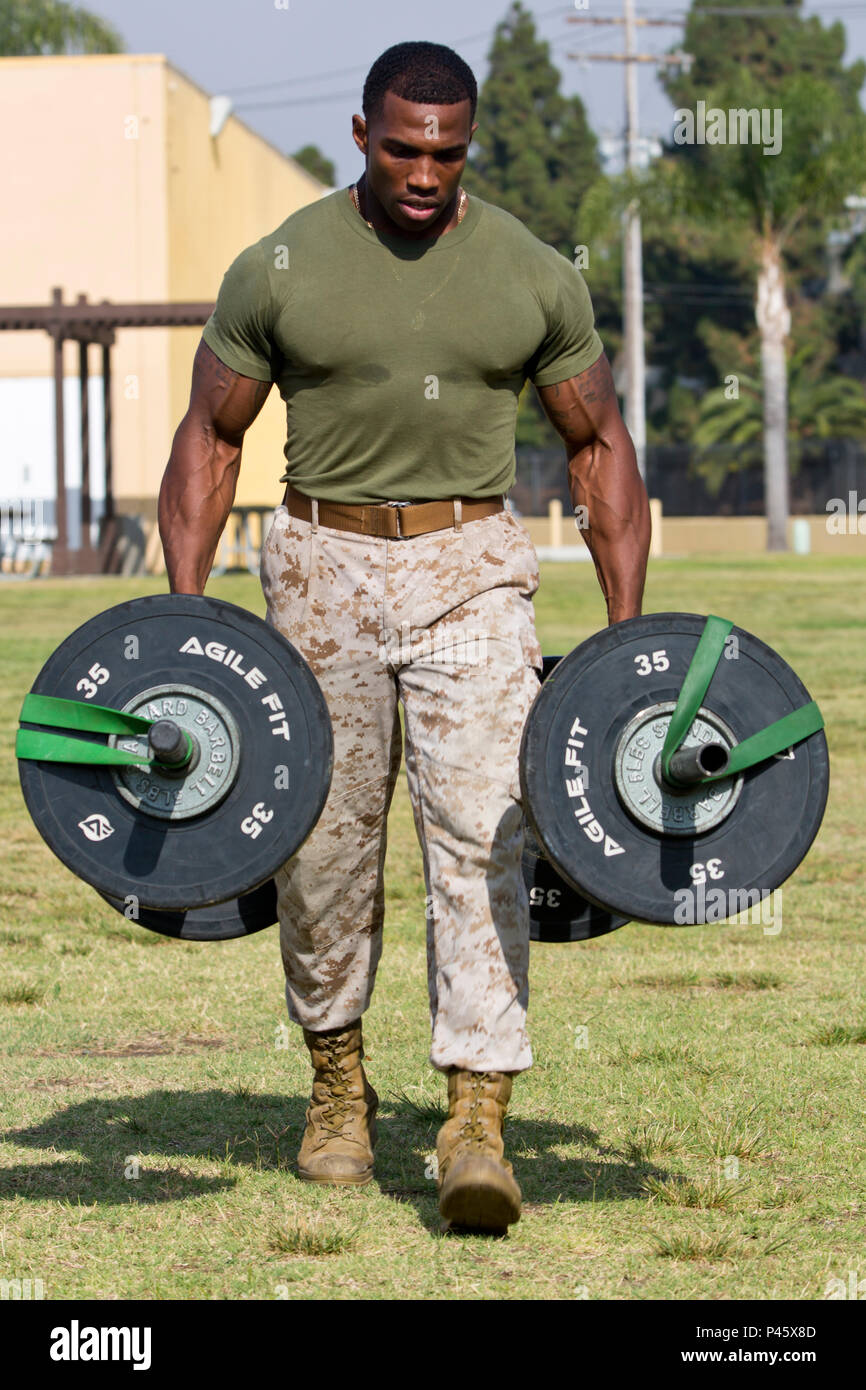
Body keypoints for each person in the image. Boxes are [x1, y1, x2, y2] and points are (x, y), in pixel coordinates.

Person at [158, 40, 650, 1233]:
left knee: (484, 831)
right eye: (402, 148)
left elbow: (596, 446)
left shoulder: (529, 272)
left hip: (470, 566)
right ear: (361, 133)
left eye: (447, 151)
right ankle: (336, 1088)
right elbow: (209, 439)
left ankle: (474, 1115)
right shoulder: (278, 266)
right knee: (319, 848)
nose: (425, 173)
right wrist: (180, 628)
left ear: (465, 145)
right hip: (320, 561)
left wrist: (622, 652)